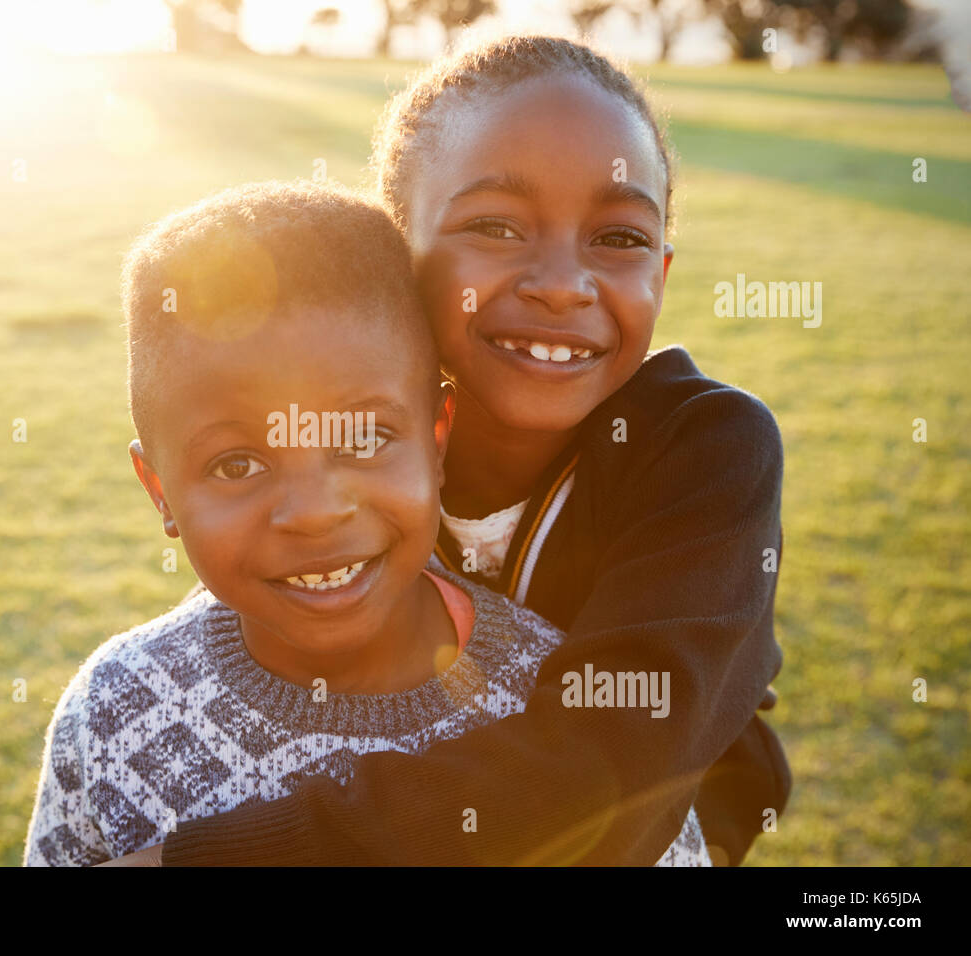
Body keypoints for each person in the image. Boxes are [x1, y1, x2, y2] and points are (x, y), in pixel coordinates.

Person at [151, 36, 790, 867]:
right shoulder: (333, 451)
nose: (563, 283)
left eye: (621, 239)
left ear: (662, 274)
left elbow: (608, 773)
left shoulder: (707, 451)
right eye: (494, 225)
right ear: (395, 255)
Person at [22, 180, 710, 866]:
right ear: (161, 491)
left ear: (437, 439)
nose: (316, 511)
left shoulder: (552, 710)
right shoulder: (116, 709)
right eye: (236, 464)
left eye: (363, 439)